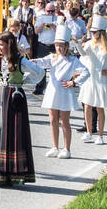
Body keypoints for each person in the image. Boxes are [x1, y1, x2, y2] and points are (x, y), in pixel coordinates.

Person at [0, 31, 39, 186]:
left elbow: (39, 73)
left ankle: (13, 174)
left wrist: (23, 81)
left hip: (13, 98)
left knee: (12, 135)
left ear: (9, 44)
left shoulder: (20, 60)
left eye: (1, 44)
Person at [28, 25, 88, 159]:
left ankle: (66, 148)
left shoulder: (73, 60)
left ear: (67, 46)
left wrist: (74, 82)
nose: (59, 48)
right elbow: (41, 62)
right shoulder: (52, 58)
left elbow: (86, 72)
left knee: (64, 121)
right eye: (57, 46)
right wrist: (31, 61)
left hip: (65, 92)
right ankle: (55, 147)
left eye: (61, 46)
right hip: (52, 91)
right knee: (53, 119)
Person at [79, 15, 107, 144]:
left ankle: (100, 135)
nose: (92, 34)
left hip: (102, 80)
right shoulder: (89, 44)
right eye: (92, 32)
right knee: (87, 106)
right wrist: (77, 44)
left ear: (101, 32)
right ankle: (89, 132)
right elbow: (83, 54)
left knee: (99, 108)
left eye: (95, 32)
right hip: (91, 79)